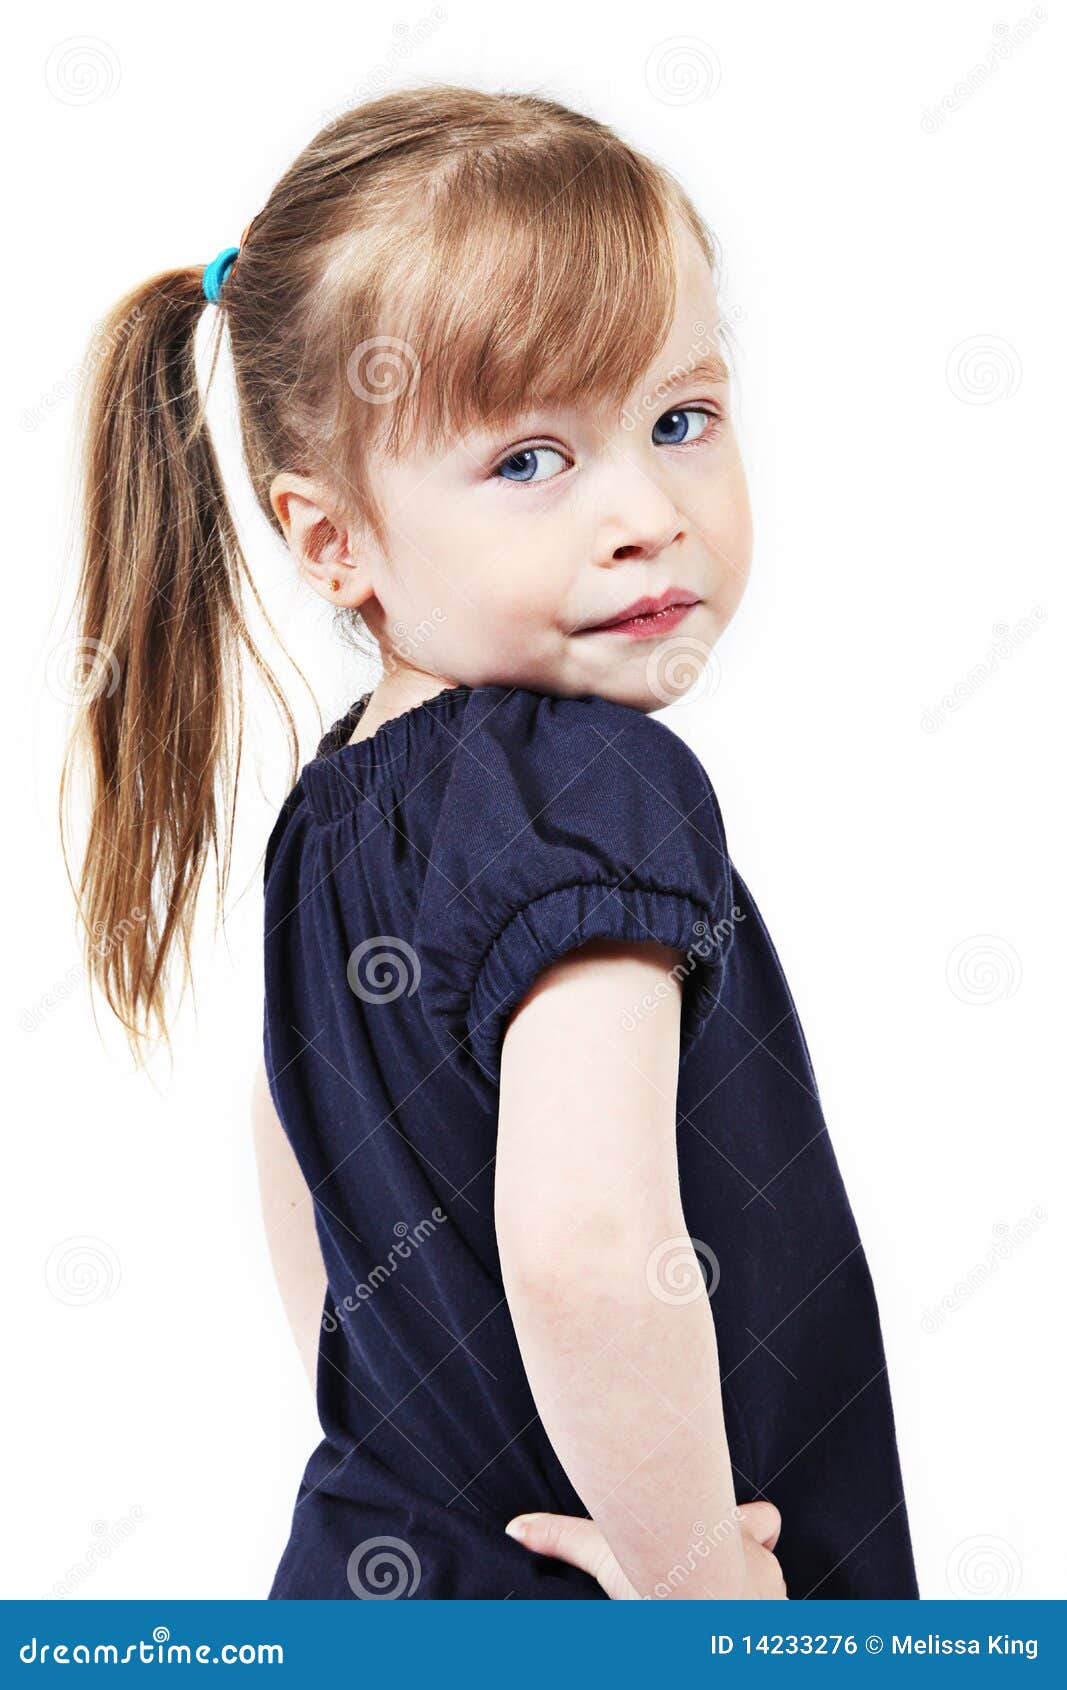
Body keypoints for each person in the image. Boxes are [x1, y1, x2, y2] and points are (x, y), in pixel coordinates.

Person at [62, 83, 919, 1601]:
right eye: (530, 460)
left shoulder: (332, 813)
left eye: (679, 420)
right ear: (332, 539)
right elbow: (589, 1248)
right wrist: (700, 1594)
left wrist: (426, 1446)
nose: (646, 511)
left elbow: (308, 1190)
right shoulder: (598, 781)